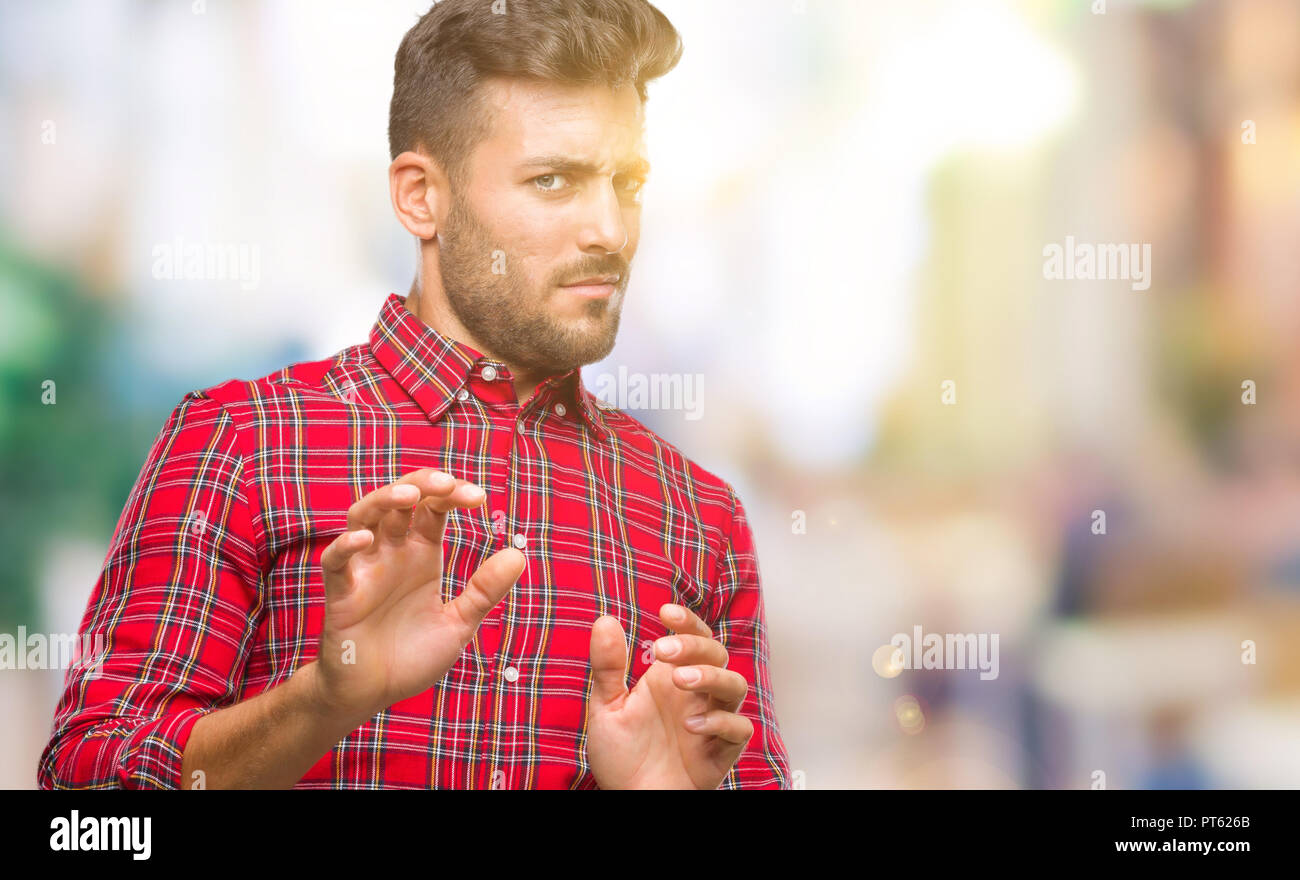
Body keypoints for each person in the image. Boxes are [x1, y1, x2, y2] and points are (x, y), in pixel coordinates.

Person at [39, 0, 790, 789]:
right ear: (419, 197)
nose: (610, 228)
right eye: (553, 180)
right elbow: (85, 808)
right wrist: (322, 701)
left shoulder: (699, 516)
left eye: (627, 182)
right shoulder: (240, 441)